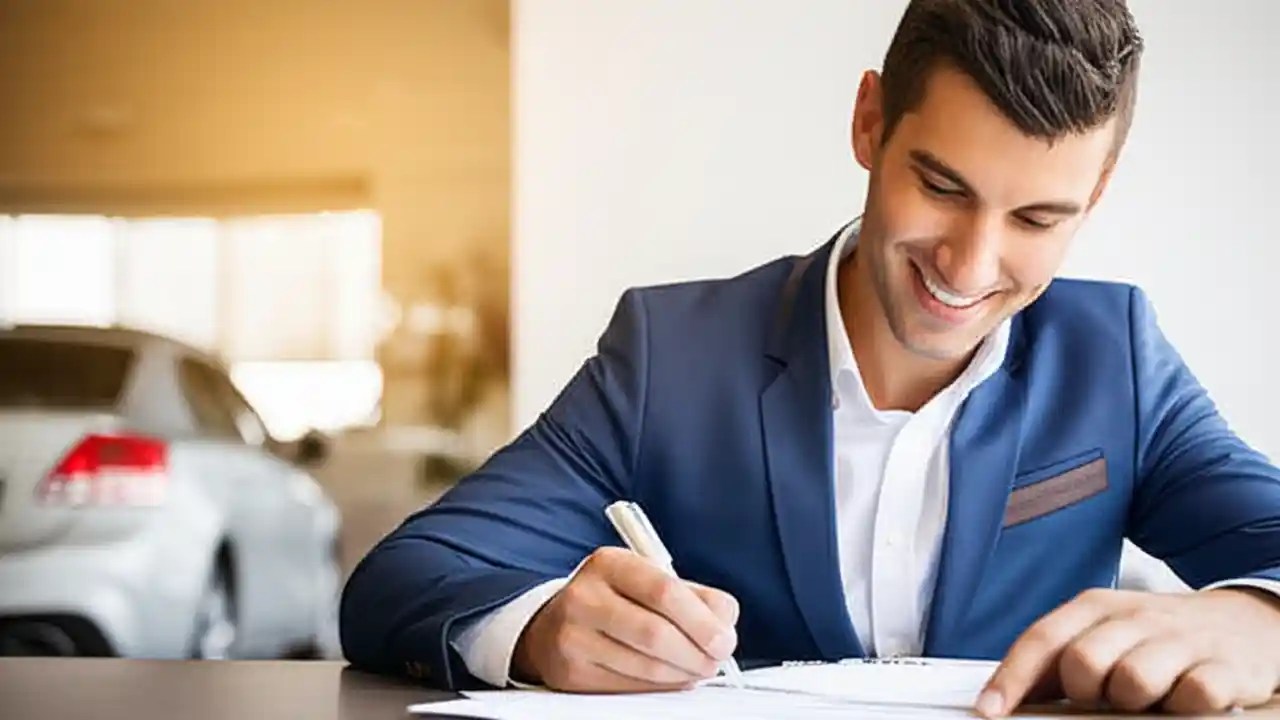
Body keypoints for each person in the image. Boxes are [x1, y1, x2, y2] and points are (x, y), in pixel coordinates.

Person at [339, 1, 1280, 715]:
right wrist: (539, 631)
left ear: (1095, 194)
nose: (969, 266)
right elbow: (402, 579)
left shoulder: (1114, 358)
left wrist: (1259, 620)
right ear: (870, 122)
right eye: (941, 187)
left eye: (1036, 219)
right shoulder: (672, 355)